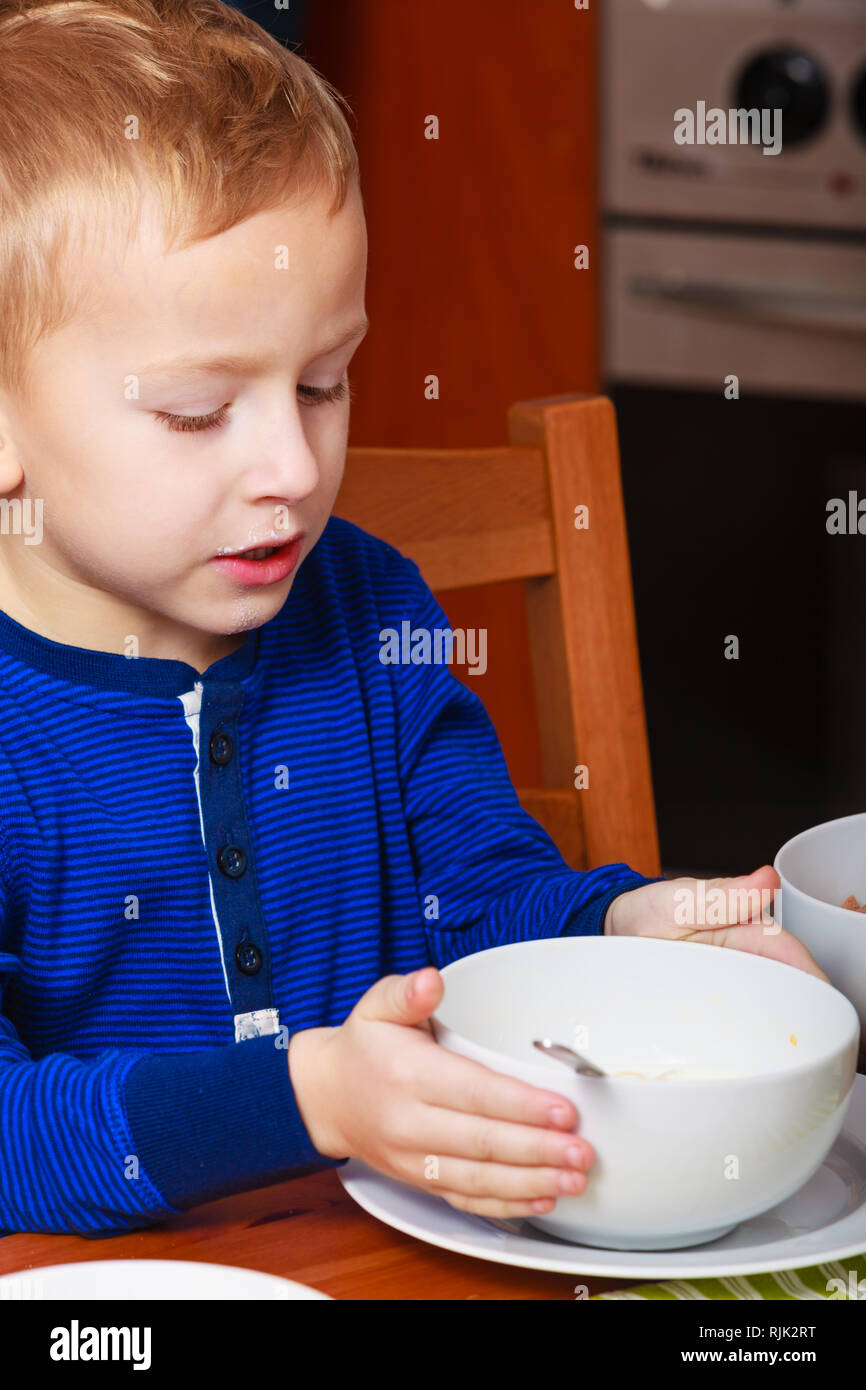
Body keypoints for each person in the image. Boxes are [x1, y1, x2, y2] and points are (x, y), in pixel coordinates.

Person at [0, 0, 824, 1237]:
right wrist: (310, 1097)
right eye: (194, 411)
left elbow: (482, 901)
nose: (290, 462)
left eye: (324, 382)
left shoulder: (369, 605)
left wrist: (624, 925)